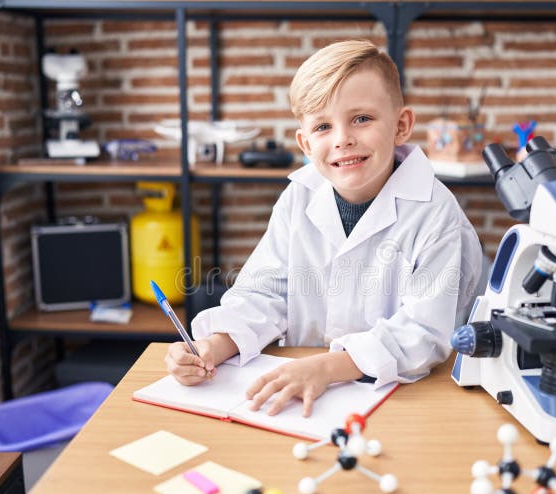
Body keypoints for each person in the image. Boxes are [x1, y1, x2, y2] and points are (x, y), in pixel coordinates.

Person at [165, 40, 483, 417]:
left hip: (405, 398)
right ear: (304, 142)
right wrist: (214, 347)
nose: (342, 139)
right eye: (323, 126)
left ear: (401, 125)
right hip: (303, 398)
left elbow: (424, 334)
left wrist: (327, 368)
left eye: (361, 118)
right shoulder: (298, 197)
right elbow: (263, 294)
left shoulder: (436, 212)